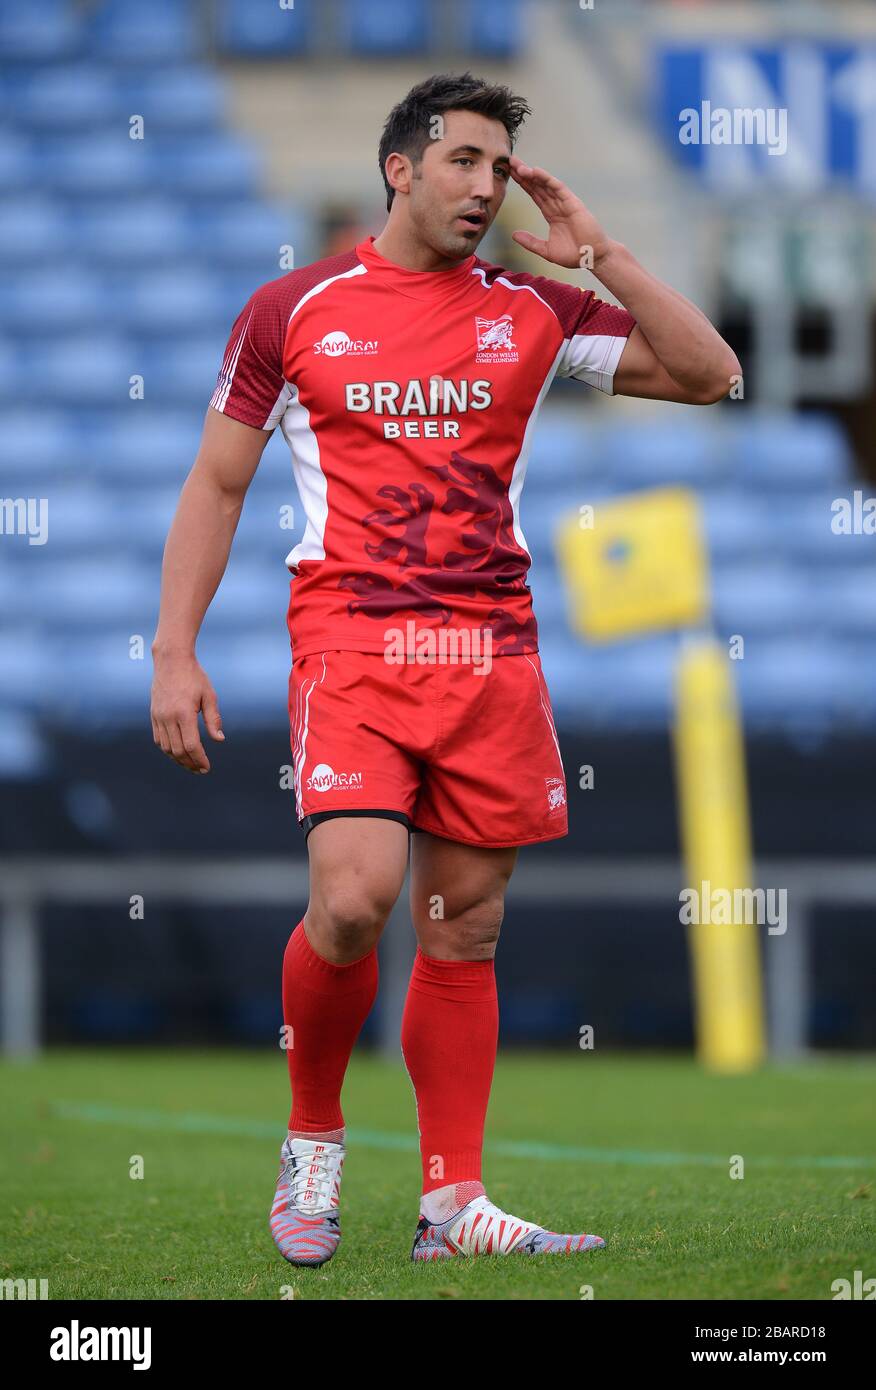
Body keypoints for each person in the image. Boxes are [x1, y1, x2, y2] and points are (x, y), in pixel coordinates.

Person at [150, 72, 740, 1265]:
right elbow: (217, 482)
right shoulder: (292, 311)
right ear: (399, 169)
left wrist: (603, 256)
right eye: (464, 162)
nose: (485, 187)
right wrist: (175, 648)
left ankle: (451, 1204)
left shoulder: (531, 309)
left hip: (491, 654)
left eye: (500, 168)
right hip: (355, 648)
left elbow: (710, 373)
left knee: (462, 928)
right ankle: (312, 1139)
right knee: (356, 896)